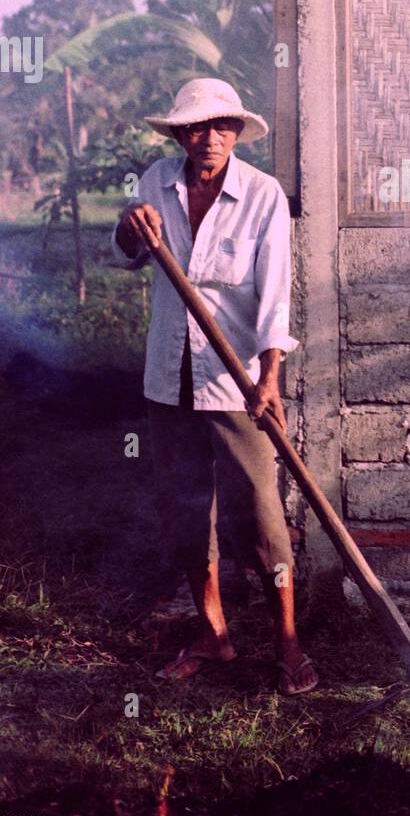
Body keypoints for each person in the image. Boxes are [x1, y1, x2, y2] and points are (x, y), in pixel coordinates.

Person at [111, 77, 317, 695]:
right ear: (178, 134)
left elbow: (276, 295)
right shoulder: (155, 182)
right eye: (197, 127)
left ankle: (287, 642)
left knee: (259, 511)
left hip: (236, 379)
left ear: (236, 131)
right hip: (167, 376)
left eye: (222, 126)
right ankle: (214, 635)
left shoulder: (261, 196)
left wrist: (270, 376)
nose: (210, 138)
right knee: (183, 508)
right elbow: (125, 253)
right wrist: (130, 226)